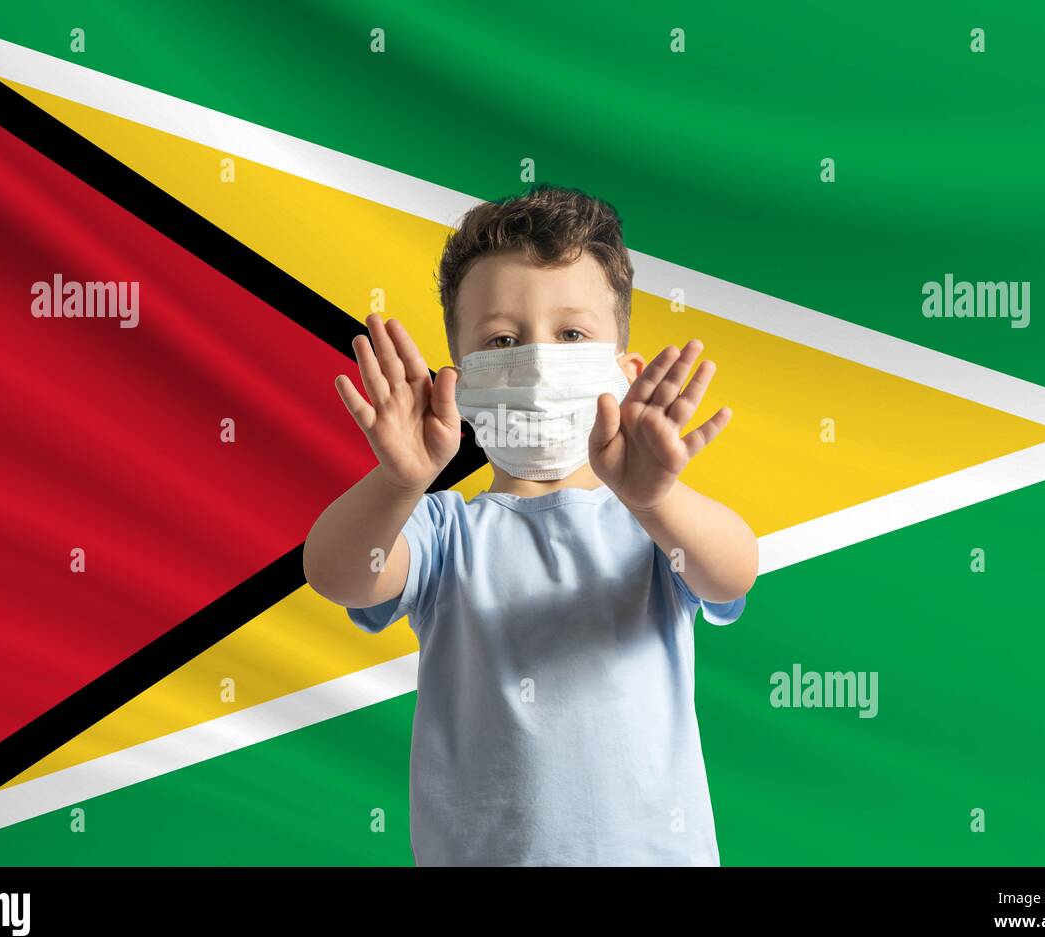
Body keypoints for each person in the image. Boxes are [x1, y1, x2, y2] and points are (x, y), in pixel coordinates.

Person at [303, 184, 758, 865]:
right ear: (459, 382)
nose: (540, 361)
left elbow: (734, 572)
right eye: (504, 339)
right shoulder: (442, 533)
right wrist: (400, 481)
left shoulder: (654, 526)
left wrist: (656, 499)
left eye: (572, 334)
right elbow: (338, 573)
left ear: (625, 374)